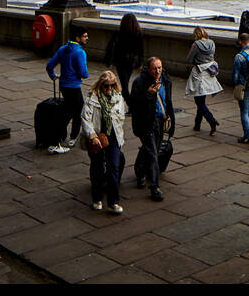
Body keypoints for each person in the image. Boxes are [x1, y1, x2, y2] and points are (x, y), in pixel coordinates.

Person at [128, 57, 174, 201]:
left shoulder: (165, 79)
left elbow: (168, 101)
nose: (157, 71)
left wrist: (171, 119)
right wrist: (148, 94)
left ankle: (139, 170)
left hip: (160, 120)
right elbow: (134, 106)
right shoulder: (139, 83)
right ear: (148, 69)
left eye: (159, 67)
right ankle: (154, 187)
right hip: (146, 122)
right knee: (153, 152)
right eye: (154, 68)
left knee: (151, 148)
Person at [80, 71, 126, 214]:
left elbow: (121, 117)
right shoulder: (92, 98)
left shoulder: (118, 97)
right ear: (101, 85)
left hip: (113, 137)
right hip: (97, 137)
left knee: (114, 167)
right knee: (97, 168)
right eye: (106, 86)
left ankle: (113, 202)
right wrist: (92, 136)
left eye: (112, 85)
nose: (109, 89)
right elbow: (85, 118)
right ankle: (97, 198)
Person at [45, 29, 90, 155]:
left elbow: (49, 66)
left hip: (64, 86)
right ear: (78, 37)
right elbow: (84, 73)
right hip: (74, 86)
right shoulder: (80, 52)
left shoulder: (62, 49)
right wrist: (83, 73)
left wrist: (53, 75)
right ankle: (56, 142)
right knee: (67, 115)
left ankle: (72, 137)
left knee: (77, 109)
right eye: (84, 36)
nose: (86, 38)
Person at [183, 26, 220, 135]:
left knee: (199, 101)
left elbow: (189, 59)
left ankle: (211, 120)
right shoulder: (212, 43)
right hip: (209, 72)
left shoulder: (196, 45)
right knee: (201, 100)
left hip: (199, 73)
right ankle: (197, 125)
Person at [105, 12, 144, 97]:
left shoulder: (118, 33)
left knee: (124, 82)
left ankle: (128, 101)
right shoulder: (137, 34)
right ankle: (126, 99)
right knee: (126, 81)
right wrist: (140, 62)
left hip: (120, 60)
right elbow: (140, 49)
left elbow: (110, 47)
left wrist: (109, 60)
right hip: (131, 61)